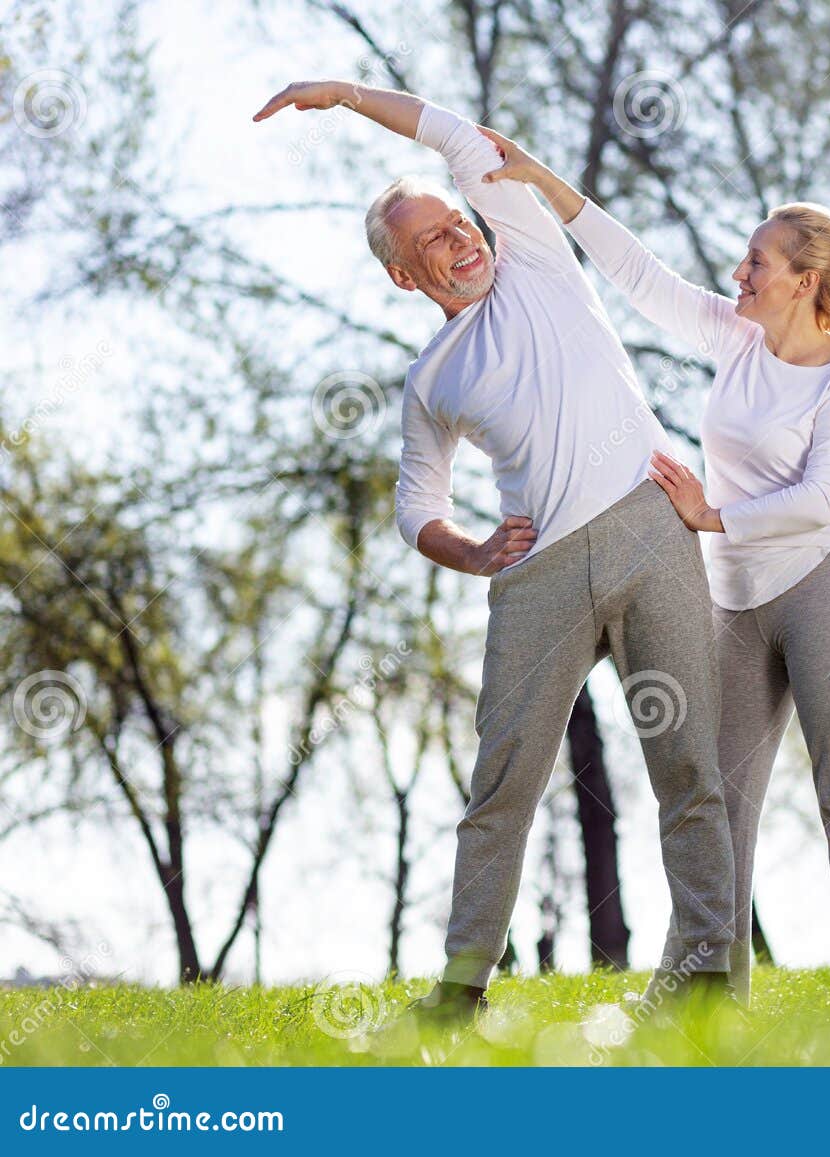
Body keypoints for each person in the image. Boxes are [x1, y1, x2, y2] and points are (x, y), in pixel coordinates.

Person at [252, 81, 737, 1022]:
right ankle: (462, 988)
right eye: (432, 238)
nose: (460, 238)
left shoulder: (536, 256)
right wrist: (472, 550)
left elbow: (458, 136)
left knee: (689, 763)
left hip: (648, 530)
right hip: (537, 578)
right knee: (502, 783)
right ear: (405, 275)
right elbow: (414, 504)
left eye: (457, 222)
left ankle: (705, 980)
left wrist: (344, 97)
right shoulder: (431, 379)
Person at [474, 126, 830, 1021]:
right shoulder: (736, 337)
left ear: (805, 279)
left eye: (758, 260)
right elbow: (638, 275)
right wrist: (545, 183)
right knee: (711, 799)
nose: (740, 271)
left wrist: (712, 513)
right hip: (739, 596)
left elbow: (826, 493)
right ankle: (702, 997)